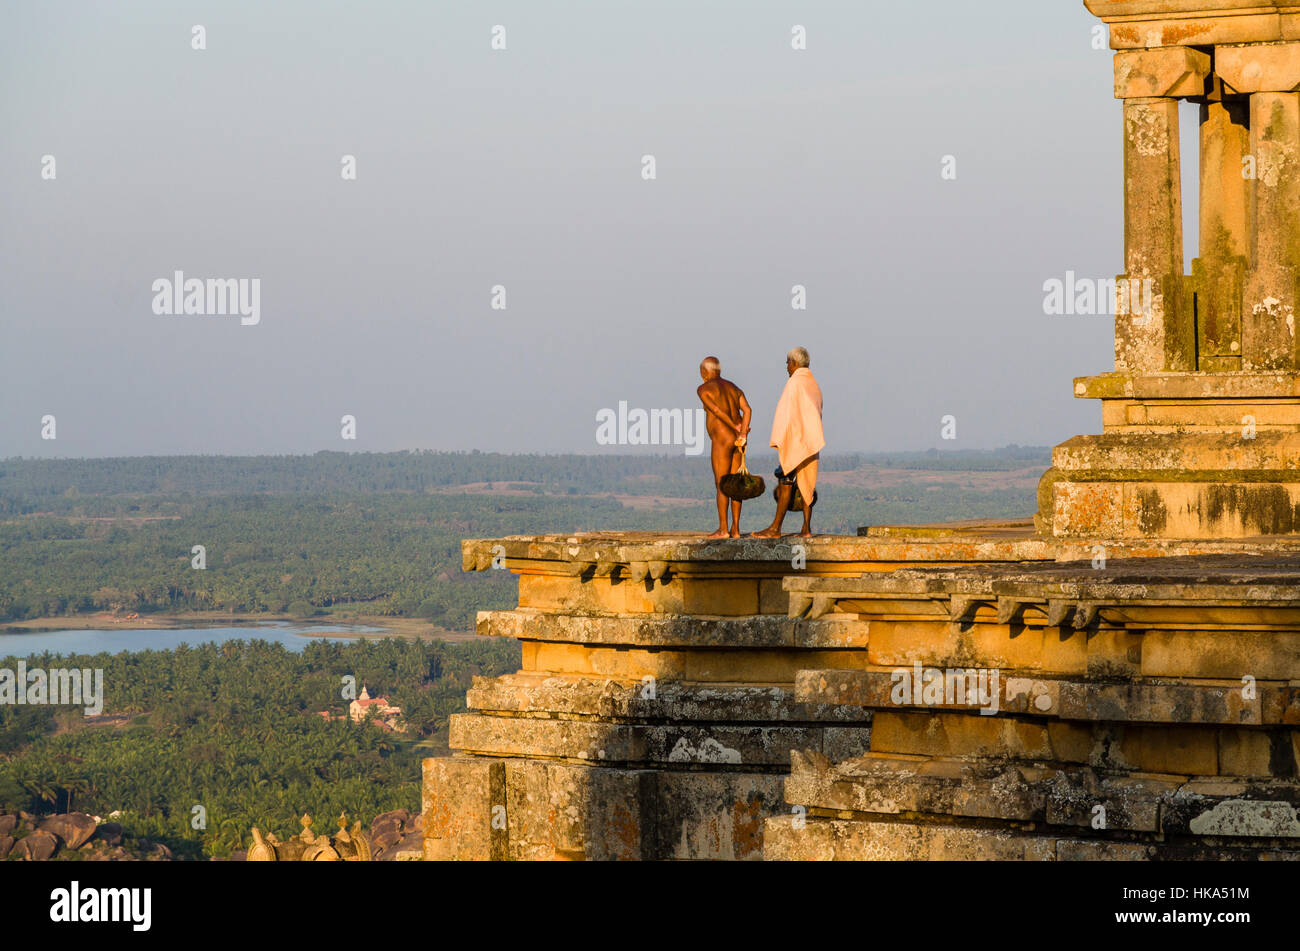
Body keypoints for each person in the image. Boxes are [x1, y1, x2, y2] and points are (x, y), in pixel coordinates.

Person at [754, 347, 823, 538]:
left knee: (786, 482)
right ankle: (806, 529)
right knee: (807, 485)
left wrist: (781, 439)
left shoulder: (795, 383)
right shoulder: (813, 383)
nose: (786, 367)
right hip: (810, 441)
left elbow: (786, 414)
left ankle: (775, 528)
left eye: (787, 362)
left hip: (796, 441)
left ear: (794, 363)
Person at [696, 356, 752, 538]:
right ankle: (736, 529)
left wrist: (734, 426)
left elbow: (717, 411)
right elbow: (748, 410)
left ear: (704, 372)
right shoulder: (733, 387)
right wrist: (742, 432)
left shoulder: (704, 389)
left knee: (721, 484)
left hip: (722, 439)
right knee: (735, 484)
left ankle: (723, 529)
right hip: (737, 440)